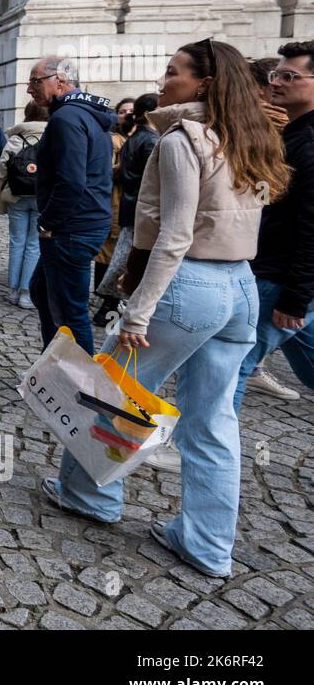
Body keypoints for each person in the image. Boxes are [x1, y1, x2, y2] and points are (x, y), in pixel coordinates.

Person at [42, 39, 288, 579]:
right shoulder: (250, 133)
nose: (163, 76)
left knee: (109, 391)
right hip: (239, 285)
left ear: (204, 83)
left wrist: (137, 313)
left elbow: (174, 235)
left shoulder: (184, 138)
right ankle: (207, 542)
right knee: (214, 420)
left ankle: (89, 496)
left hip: (188, 283)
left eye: (174, 71)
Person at [231, 41, 314, 413]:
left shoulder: (309, 142)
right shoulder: (290, 131)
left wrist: (295, 297)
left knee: (231, 370)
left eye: (289, 76)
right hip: (276, 272)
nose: (276, 83)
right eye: (275, 75)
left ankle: (201, 462)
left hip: (280, 280)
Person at [26, 55, 114, 355]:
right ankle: (53, 363)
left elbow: (72, 181)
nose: (29, 89)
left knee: (71, 311)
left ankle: (81, 385)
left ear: (59, 81)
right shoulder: (81, 115)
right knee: (41, 289)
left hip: (72, 228)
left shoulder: (67, 118)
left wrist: (48, 222)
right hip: (83, 223)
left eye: (35, 81)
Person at [94, 93, 159, 322]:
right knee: (125, 260)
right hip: (137, 206)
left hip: (130, 204)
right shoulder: (149, 139)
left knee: (123, 258)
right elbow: (151, 179)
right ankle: (110, 310)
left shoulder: (137, 137)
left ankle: (108, 307)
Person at [0, 100, 49, 309]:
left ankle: (13, 290)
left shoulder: (15, 138)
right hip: (41, 196)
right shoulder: (53, 137)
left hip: (16, 196)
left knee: (16, 242)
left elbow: (2, 171)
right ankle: (27, 293)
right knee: (34, 244)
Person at [93, 97, 135, 303]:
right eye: (123, 111)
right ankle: (103, 297)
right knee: (107, 253)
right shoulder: (112, 140)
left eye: (131, 111)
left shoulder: (142, 138)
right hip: (114, 201)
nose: (127, 115)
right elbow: (105, 171)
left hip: (132, 203)